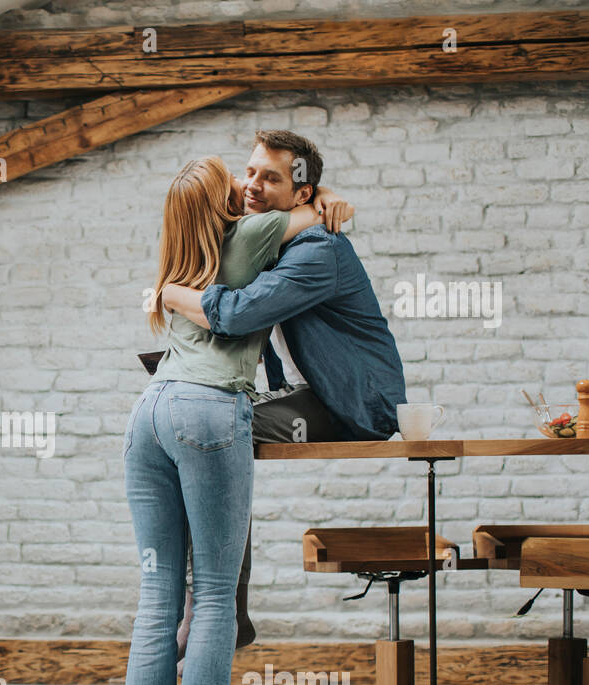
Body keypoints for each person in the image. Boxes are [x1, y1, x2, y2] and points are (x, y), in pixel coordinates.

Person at [121, 155, 353, 685]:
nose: (249, 190)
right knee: (216, 594)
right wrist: (327, 194)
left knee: (158, 598)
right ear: (222, 204)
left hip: (149, 414)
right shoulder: (247, 235)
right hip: (209, 410)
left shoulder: (175, 261)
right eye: (237, 185)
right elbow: (308, 211)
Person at [163, 130, 407, 652]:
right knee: (206, 428)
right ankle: (217, 607)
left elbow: (234, 316)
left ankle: (220, 610)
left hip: (358, 403)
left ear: (299, 193)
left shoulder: (318, 251)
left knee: (222, 428)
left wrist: (171, 293)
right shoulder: (278, 229)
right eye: (249, 171)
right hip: (315, 391)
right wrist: (323, 197)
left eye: (270, 178)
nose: (252, 185)